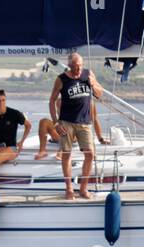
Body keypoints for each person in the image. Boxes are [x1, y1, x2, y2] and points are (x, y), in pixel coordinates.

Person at [48, 51, 105, 199]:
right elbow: (52, 101)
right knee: (66, 155)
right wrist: (55, 123)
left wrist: (93, 84)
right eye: (75, 67)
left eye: (80, 66)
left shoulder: (88, 74)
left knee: (90, 154)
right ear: (69, 66)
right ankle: (69, 189)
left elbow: (99, 93)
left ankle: (83, 189)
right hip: (66, 122)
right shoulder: (61, 79)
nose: (78, 69)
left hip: (84, 122)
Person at [0, 90, 31, 193]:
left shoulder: (14, 113)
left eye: (3, 100)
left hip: (11, 148)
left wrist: (21, 142)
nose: (1, 103)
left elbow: (28, 125)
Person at [36, 103, 110, 159]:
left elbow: (95, 120)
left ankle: (62, 150)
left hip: (76, 133)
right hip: (60, 132)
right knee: (44, 121)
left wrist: (101, 139)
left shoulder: (89, 103)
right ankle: (42, 151)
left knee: (69, 123)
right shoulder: (60, 101)